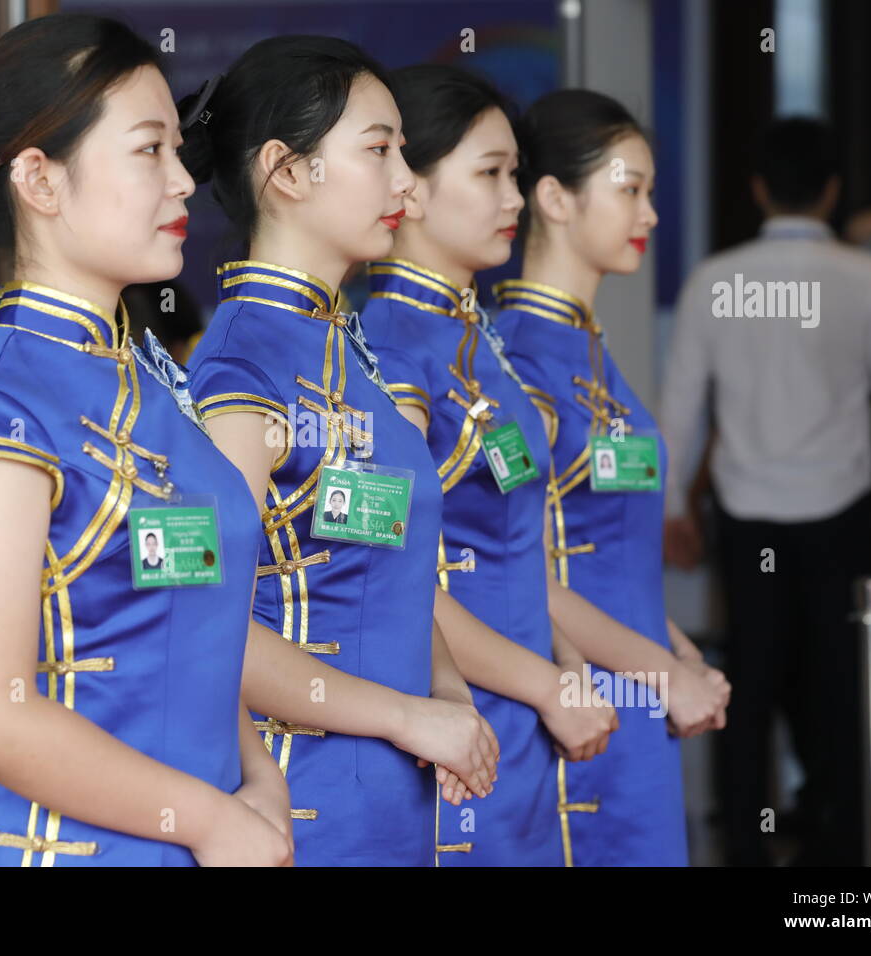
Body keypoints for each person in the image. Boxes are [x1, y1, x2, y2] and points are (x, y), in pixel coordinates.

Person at [0, 14, 292, 866]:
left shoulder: (153, 379)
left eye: (178, 151)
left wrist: (260, 780)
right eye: (149, 150)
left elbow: (202, 623)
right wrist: (210, 820)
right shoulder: (5, 400)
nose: (184, 181)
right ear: (40, 181)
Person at [179, 36, 500, 867]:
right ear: (287, 171)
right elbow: (206, 626)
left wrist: (449, 697)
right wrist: (408, 716)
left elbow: (396, 575)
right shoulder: (240, 368)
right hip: (298, 803)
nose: (407, 183)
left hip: (393, 798)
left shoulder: (348, 353)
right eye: (379, 150)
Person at [659, 118, 871, 866]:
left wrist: (670, 508)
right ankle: (841, 854)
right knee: (844, 689)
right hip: (843, 517)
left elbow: (680, 412)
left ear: (759, 189)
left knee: (744, 689)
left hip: (747, 519)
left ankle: (742, 849)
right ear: (832, 191)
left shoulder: (714, 282)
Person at [360, 65, 623, 866]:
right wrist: (549, 684)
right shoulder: (392, 347)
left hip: (525, 714)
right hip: (459, 722)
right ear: (411, 186)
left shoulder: (479, 340)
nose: (515, 198)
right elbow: (393, 577)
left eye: (516, 174)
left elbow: (518, 557)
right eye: (490, 174)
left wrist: (566, 670)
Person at [495, 88, 731, 866]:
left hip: (640, 705)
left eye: (650, 193)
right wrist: (664, 671)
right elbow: (513, 569)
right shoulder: (518, 362)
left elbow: (617, 556)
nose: (650, 214)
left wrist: (680, 656)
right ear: (555, 198)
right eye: (630, 190)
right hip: (577, 711)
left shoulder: (590, 352)